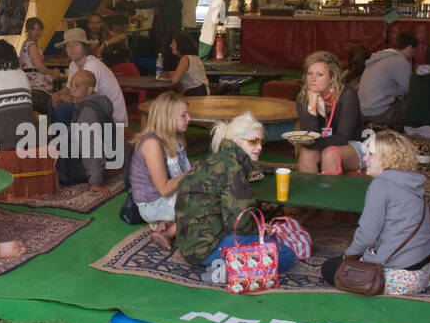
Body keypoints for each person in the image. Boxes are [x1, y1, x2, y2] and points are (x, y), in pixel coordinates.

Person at [175, 111, 297, 272]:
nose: (259, 147)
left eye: (261, 141)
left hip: (187, 247)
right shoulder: (234, 169)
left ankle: (230, 265)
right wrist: (261, 231)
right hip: (210, 249)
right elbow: (240, 225)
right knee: (286, 254)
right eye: (253, 141)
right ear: (235, 141)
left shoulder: (212, 160)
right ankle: (232, 267)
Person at [320, 131, 430, 296]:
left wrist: (349, 257)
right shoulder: (412, 181)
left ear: (388, 159)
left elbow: (367, 234)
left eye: (371, 154)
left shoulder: (381, 185)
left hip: (401, 279)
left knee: (331, 268)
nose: (365, 158)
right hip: (423, 269)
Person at [129, 91, 192, 248]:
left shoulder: (174, 137)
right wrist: (193, 173)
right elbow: (164, 189)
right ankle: (167, 233)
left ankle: (166, 222)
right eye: (184, 115)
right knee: (206, 204)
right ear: (168, 118)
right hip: (152, 204)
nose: (189, 119)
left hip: (165, 197)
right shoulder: (152, 144)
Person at [295, 50, 363, 175]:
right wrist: (312, 105)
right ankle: (311, 192)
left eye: (319, 74)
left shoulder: (347, 95)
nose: (312, 79)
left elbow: (343, 137)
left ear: (332, 78)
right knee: (306, 154)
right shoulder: (304, 97)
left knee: (330, 153)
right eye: (310, 73)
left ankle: (332, 193)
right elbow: (311, 135)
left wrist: (312, 144)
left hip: (352, 144)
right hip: (323, 143)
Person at [55, 70, 119, 193]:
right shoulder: (93, 103)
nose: (71, 90)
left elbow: (90, 146)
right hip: (108, 158)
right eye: (71, 85)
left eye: (77, 86)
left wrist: (95, 181)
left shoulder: (87, 112)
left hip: (82, 169)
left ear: (89, 90)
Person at [49, 26, 127, 126]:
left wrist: (65, 98)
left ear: (85, 47)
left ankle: (70, 140)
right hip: (92, 105)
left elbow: (85, 96)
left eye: (76, 45)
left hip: (110, 116)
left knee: (63, 108)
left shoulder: (92, 65)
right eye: (68, 46)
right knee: (52, 102)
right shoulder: (74, 64)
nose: (72, 49)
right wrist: (58, 94)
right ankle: (61, 139)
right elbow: (69, 88)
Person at [358, 30, 417, 128]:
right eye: (414, 50)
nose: (414, 54)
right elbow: (410, 89)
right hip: (380, 113)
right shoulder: (400, 61)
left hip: (363, 112)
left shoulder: (379, 58)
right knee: (416, 101)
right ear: (410, 48)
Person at [132, 0, 183, 72]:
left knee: (165, 53)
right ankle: (167, 74)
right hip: (168, 26)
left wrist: (136, 3)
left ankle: (165, 75)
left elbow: (157, 1)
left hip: (171, 27)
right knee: (166, 53)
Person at [19, 17, 56, 97]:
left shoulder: (26, 44)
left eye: (39, 29)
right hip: (34, 81)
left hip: (27, 79)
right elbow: (39, 66)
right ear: (28, 30)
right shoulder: (31, 45)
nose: (37, 32)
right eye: (33, 29)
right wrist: (52, 72)